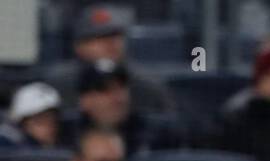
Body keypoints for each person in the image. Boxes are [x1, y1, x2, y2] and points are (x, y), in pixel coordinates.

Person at [46, 5, 176, 117]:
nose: (110, 43)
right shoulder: (60, 86)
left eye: (115, 36)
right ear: (79, 46)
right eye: (99, 37)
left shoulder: (147, 86)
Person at [74, 59, 178, 157]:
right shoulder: (69, 136)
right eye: (104, 90)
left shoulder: (158, 134)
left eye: (121, 88)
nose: (117, 98)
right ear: (84, 101)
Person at [0, 82, 64, 150]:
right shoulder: (7, 145)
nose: (50, 127)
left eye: (53, 120)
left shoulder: (65, 142)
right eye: (40, 121)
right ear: (23, 123)